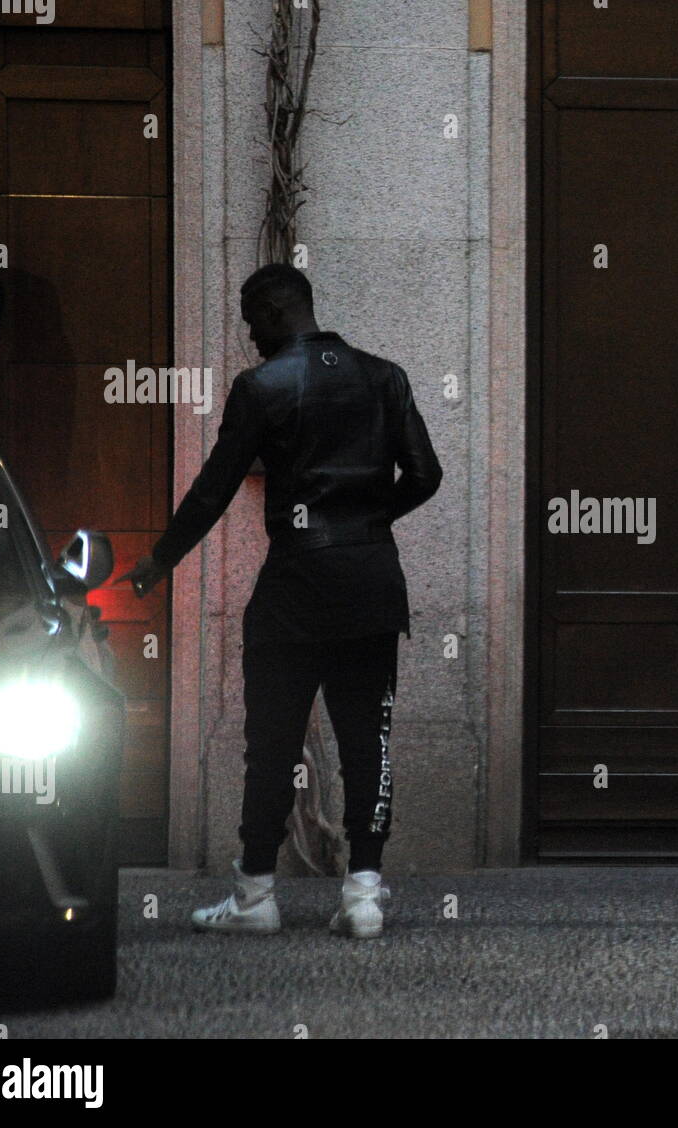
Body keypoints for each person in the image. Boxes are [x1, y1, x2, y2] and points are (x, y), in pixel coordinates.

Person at [120, 263, 442, 938]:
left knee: (270, 746)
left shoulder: (260, 388)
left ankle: (255, 895)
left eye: (249, 322)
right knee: (368, 743)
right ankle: (362, 894)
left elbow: (213, 489)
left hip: (293, 590)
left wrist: (158, 561)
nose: (249, 337)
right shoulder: (385, 376)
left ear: (269, 314)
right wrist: (367, 522)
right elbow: (426, 473)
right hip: (371, 583)